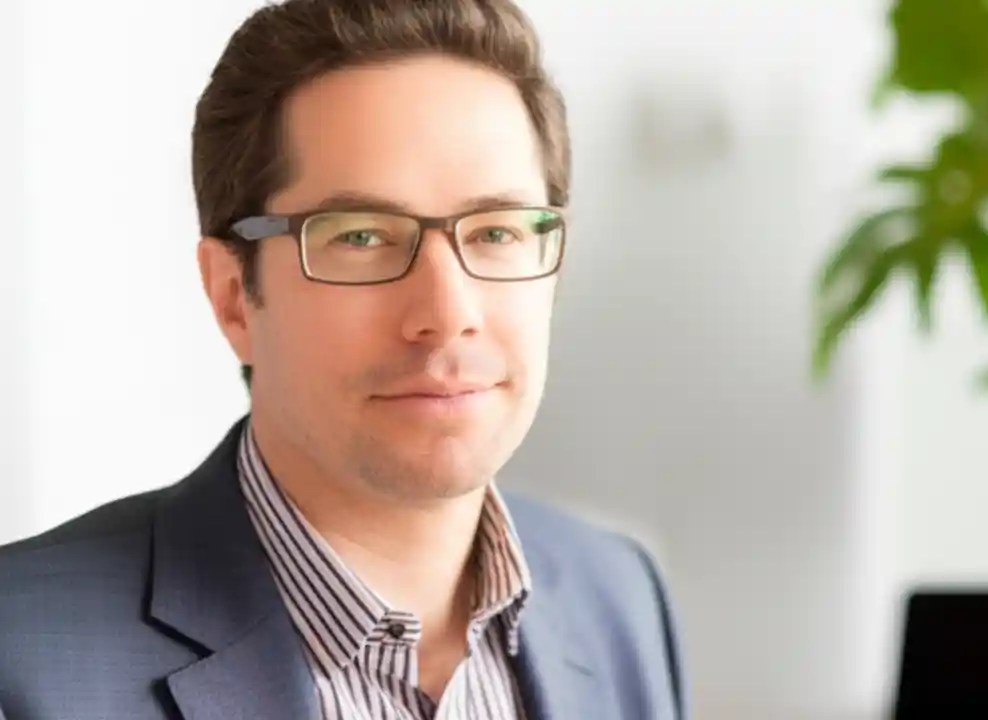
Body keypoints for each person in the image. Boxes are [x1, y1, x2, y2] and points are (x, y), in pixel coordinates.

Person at [0, 1, 686, 718]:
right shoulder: (22, 658)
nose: (448, 315)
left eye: (497, 233)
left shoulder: (621, 596)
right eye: (361, 237)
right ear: (235, 297)